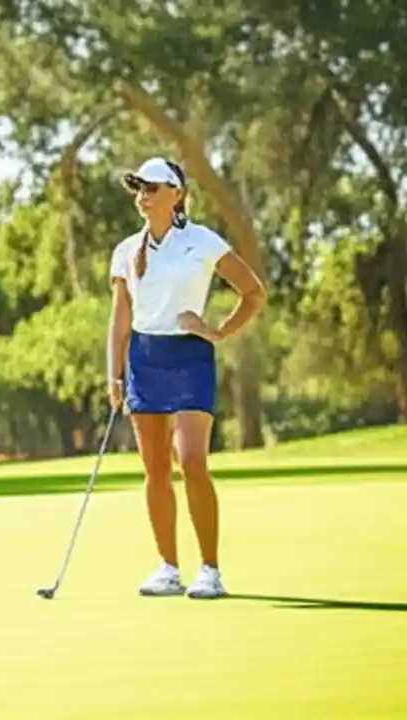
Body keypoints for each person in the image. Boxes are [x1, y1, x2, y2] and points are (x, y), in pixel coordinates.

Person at [106, 156, 266, 599]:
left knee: (191, 460)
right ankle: (168, 567)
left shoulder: (202, 241)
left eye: (153, 187)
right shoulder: (125, 251)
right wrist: (113, 373)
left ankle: (210, 569)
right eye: (139, 187)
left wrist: (217, 332)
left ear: (176, 194)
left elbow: (253, 293)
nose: (143, 195)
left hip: (190, 357)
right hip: (145, 359)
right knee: (155, 469)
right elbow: (120, 318)